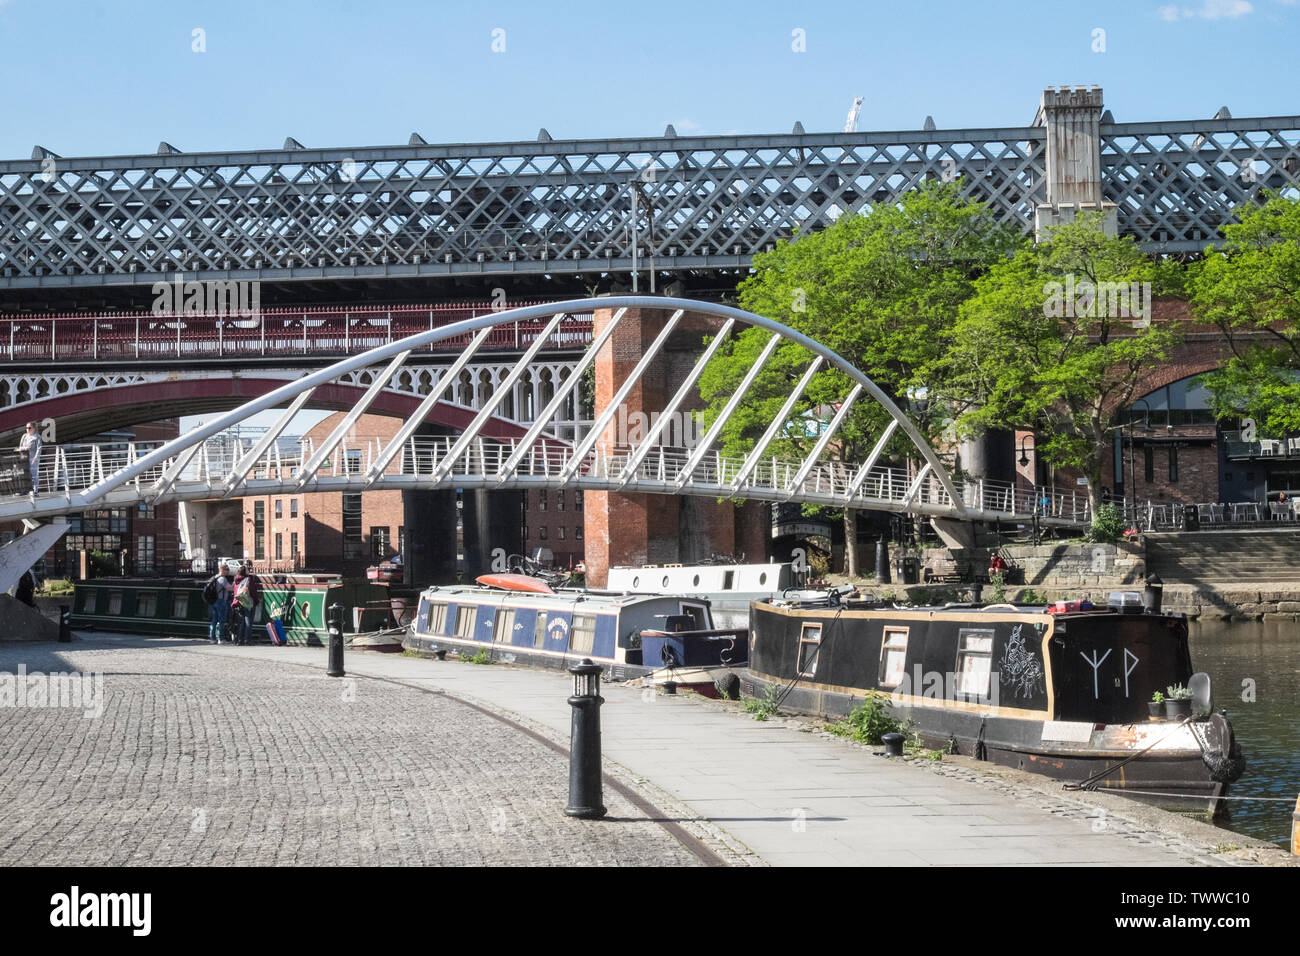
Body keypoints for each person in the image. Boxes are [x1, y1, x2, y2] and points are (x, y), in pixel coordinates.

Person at [230, 561, 263, 645]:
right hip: (248, 603)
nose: (249, 571)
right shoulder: (248, 580)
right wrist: (256, 601)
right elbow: (253, 592)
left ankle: (239, 640)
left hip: (239, 603)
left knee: (241, 623)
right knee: (249, 623)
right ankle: (247, 640)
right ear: (245, 572)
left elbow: (235, 591)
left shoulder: (236, 580)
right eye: (248, 570)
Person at [206, 568, 231, 644]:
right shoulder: (223, 579)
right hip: (221, 601)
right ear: (223, 570)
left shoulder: (215, 577)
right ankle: (221, 638)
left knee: (214, 621)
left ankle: (212, 639)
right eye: (227, 570)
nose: (228, 572)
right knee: (221, 621)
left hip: (214, 601)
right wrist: (235, 584)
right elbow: (230, 588)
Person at [17, 421, 41, 496]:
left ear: (34, 428)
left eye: (29, 428)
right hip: (24, 458)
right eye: (26, 428)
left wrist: (35, 458)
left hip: (32, 458)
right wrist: (25, 448)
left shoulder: (37, 436)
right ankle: (25, 490)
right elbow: (20, 447)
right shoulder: (24, 436)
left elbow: (39, 448)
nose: (27, 429)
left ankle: (35, 491)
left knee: (34, 475)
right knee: (24, 475)